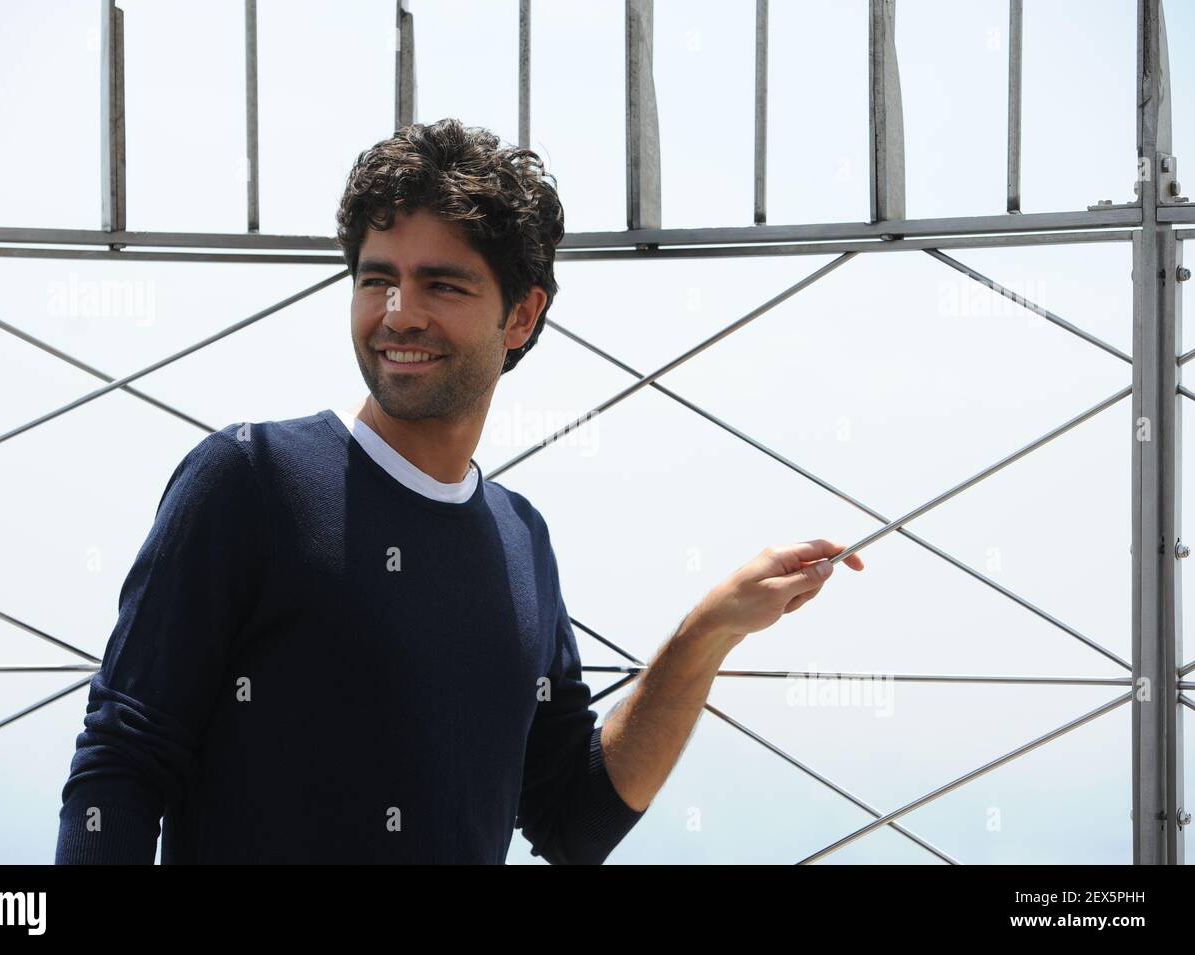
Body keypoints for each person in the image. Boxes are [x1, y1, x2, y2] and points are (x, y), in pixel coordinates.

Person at [54, 117, 865, 865]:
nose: (399, 314)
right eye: (378, 280)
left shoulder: (521, 540)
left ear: (522, 315)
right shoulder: (249, 479)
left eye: (442, 285)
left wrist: (707, 632)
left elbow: (570, 816)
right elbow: (121, 765)